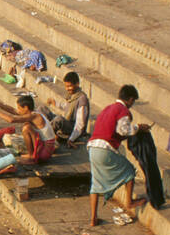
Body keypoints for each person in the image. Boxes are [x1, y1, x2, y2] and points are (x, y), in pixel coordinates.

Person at [88, 84, 149, 227]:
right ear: (130, 99)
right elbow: (123, 130)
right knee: (129, 171)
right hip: (105, 148)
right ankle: (129, 202)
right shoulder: (122, 110)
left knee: (95, 184)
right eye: (133, 102)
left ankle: (93, 219)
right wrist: (138, 128)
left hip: (92, 148)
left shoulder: (108, 108)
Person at [0, 93, 58, 165]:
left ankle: (32, 157)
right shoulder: (32, 112)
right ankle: (32, 154)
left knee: (26, 127)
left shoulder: (34, 116)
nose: (18, 110)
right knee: (27, 125)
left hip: (45, 151)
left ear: (26, 108)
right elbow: (13, 110)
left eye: (19, 108)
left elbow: (12, 119)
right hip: (45, 147)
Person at [47, 71, 90, 146]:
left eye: (70, 86)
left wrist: (71, 139)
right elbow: (66, 106)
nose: (67, 89)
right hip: (67, 123)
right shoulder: (72, 95)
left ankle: (45, 137)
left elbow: (80, 124)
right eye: (66, 86)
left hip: (73, 129)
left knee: (58, 119)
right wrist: (55, 103)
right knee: (43, 109)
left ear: (77, 84)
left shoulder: (82, 99)